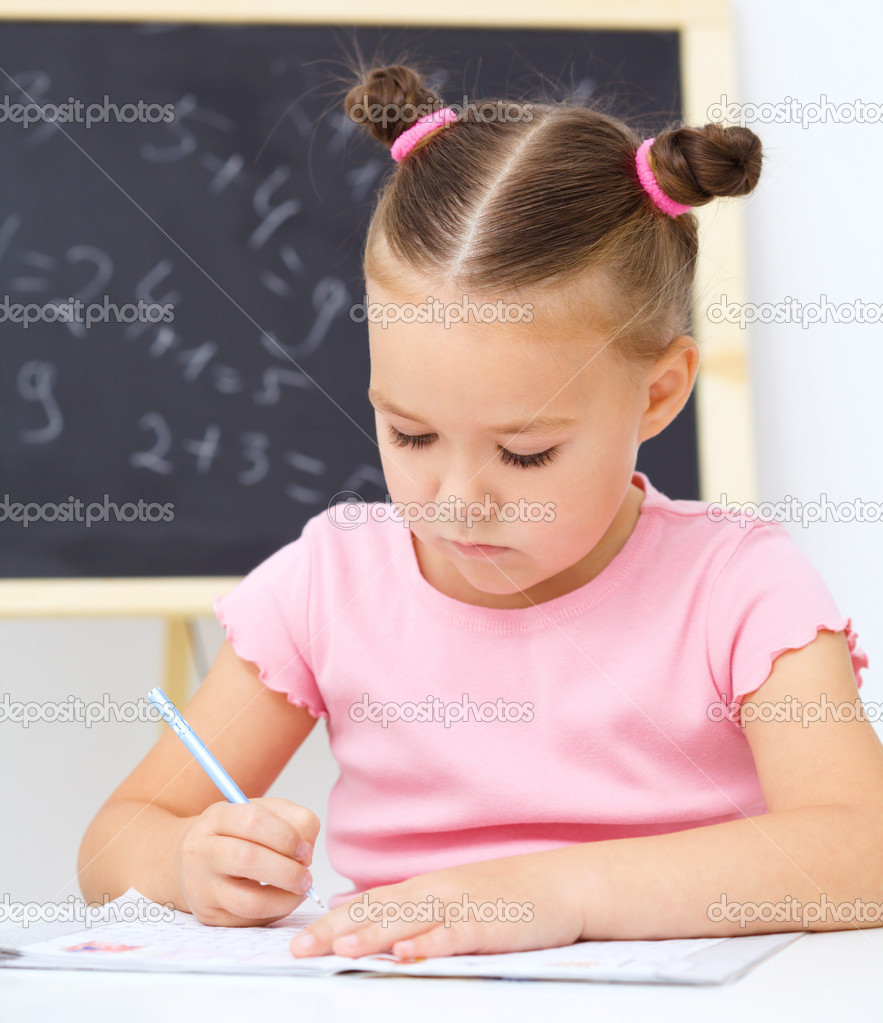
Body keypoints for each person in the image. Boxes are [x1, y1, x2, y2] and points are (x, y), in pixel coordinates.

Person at [79, 62, 882, 961]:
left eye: (524, 452)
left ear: (657, 395)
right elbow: (114, 843)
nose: (456, 501)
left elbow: (864, 853)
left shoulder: (738, 587)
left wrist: (554, 892)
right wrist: (189, 861)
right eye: (411, 434)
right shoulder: (328, 584)